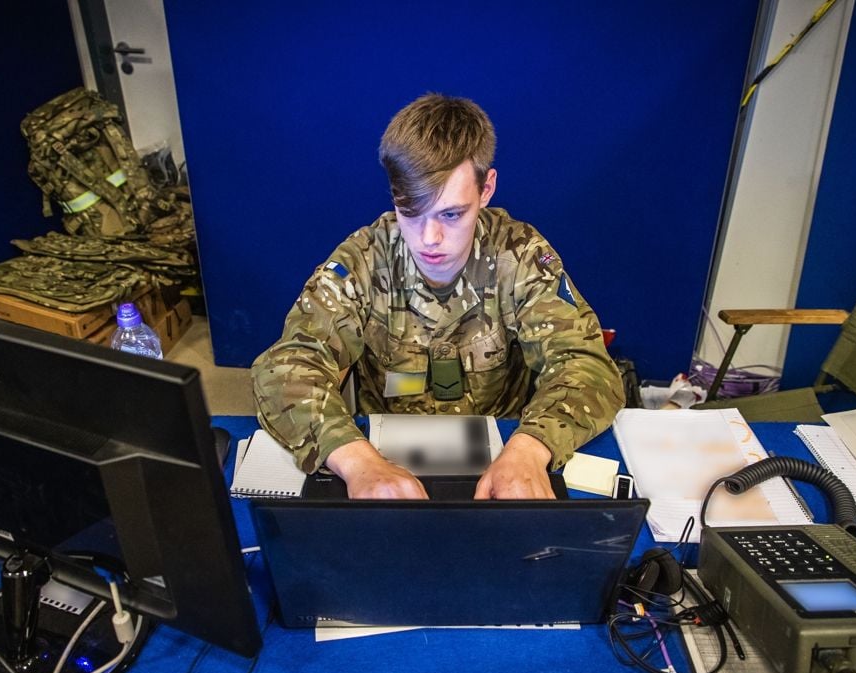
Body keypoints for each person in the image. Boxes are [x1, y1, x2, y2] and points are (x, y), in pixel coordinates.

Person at [250, 94, 624, 499]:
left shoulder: (518, 255)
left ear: (487, 189)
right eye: (411, 212)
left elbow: (587, 365)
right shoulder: (365, 258)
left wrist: (532, 448)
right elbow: (285, 368)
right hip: (385, 458)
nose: (430, 239)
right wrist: (357, 461)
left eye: (450, 214)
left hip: (504, 458)